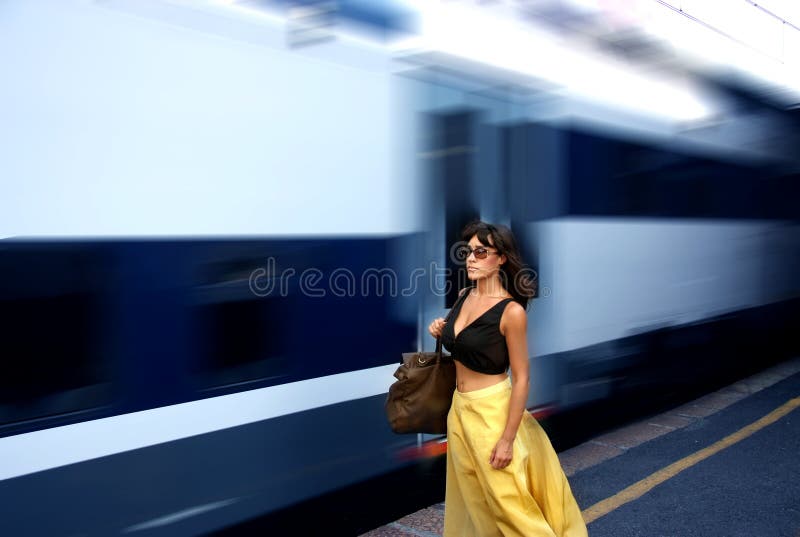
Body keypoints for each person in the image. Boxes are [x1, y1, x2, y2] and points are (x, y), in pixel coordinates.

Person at [428, 220, 588, 537]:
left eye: (481, 252)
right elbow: (461, 340)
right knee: (475, 502)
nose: (471, 258)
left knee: (509, 505)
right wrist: (439, 329)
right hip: (459, 413)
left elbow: (523, 377)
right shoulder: (463, 296)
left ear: (501, 258)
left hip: (492, 414)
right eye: (468, 252)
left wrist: (507, 439)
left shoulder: (511, 312)